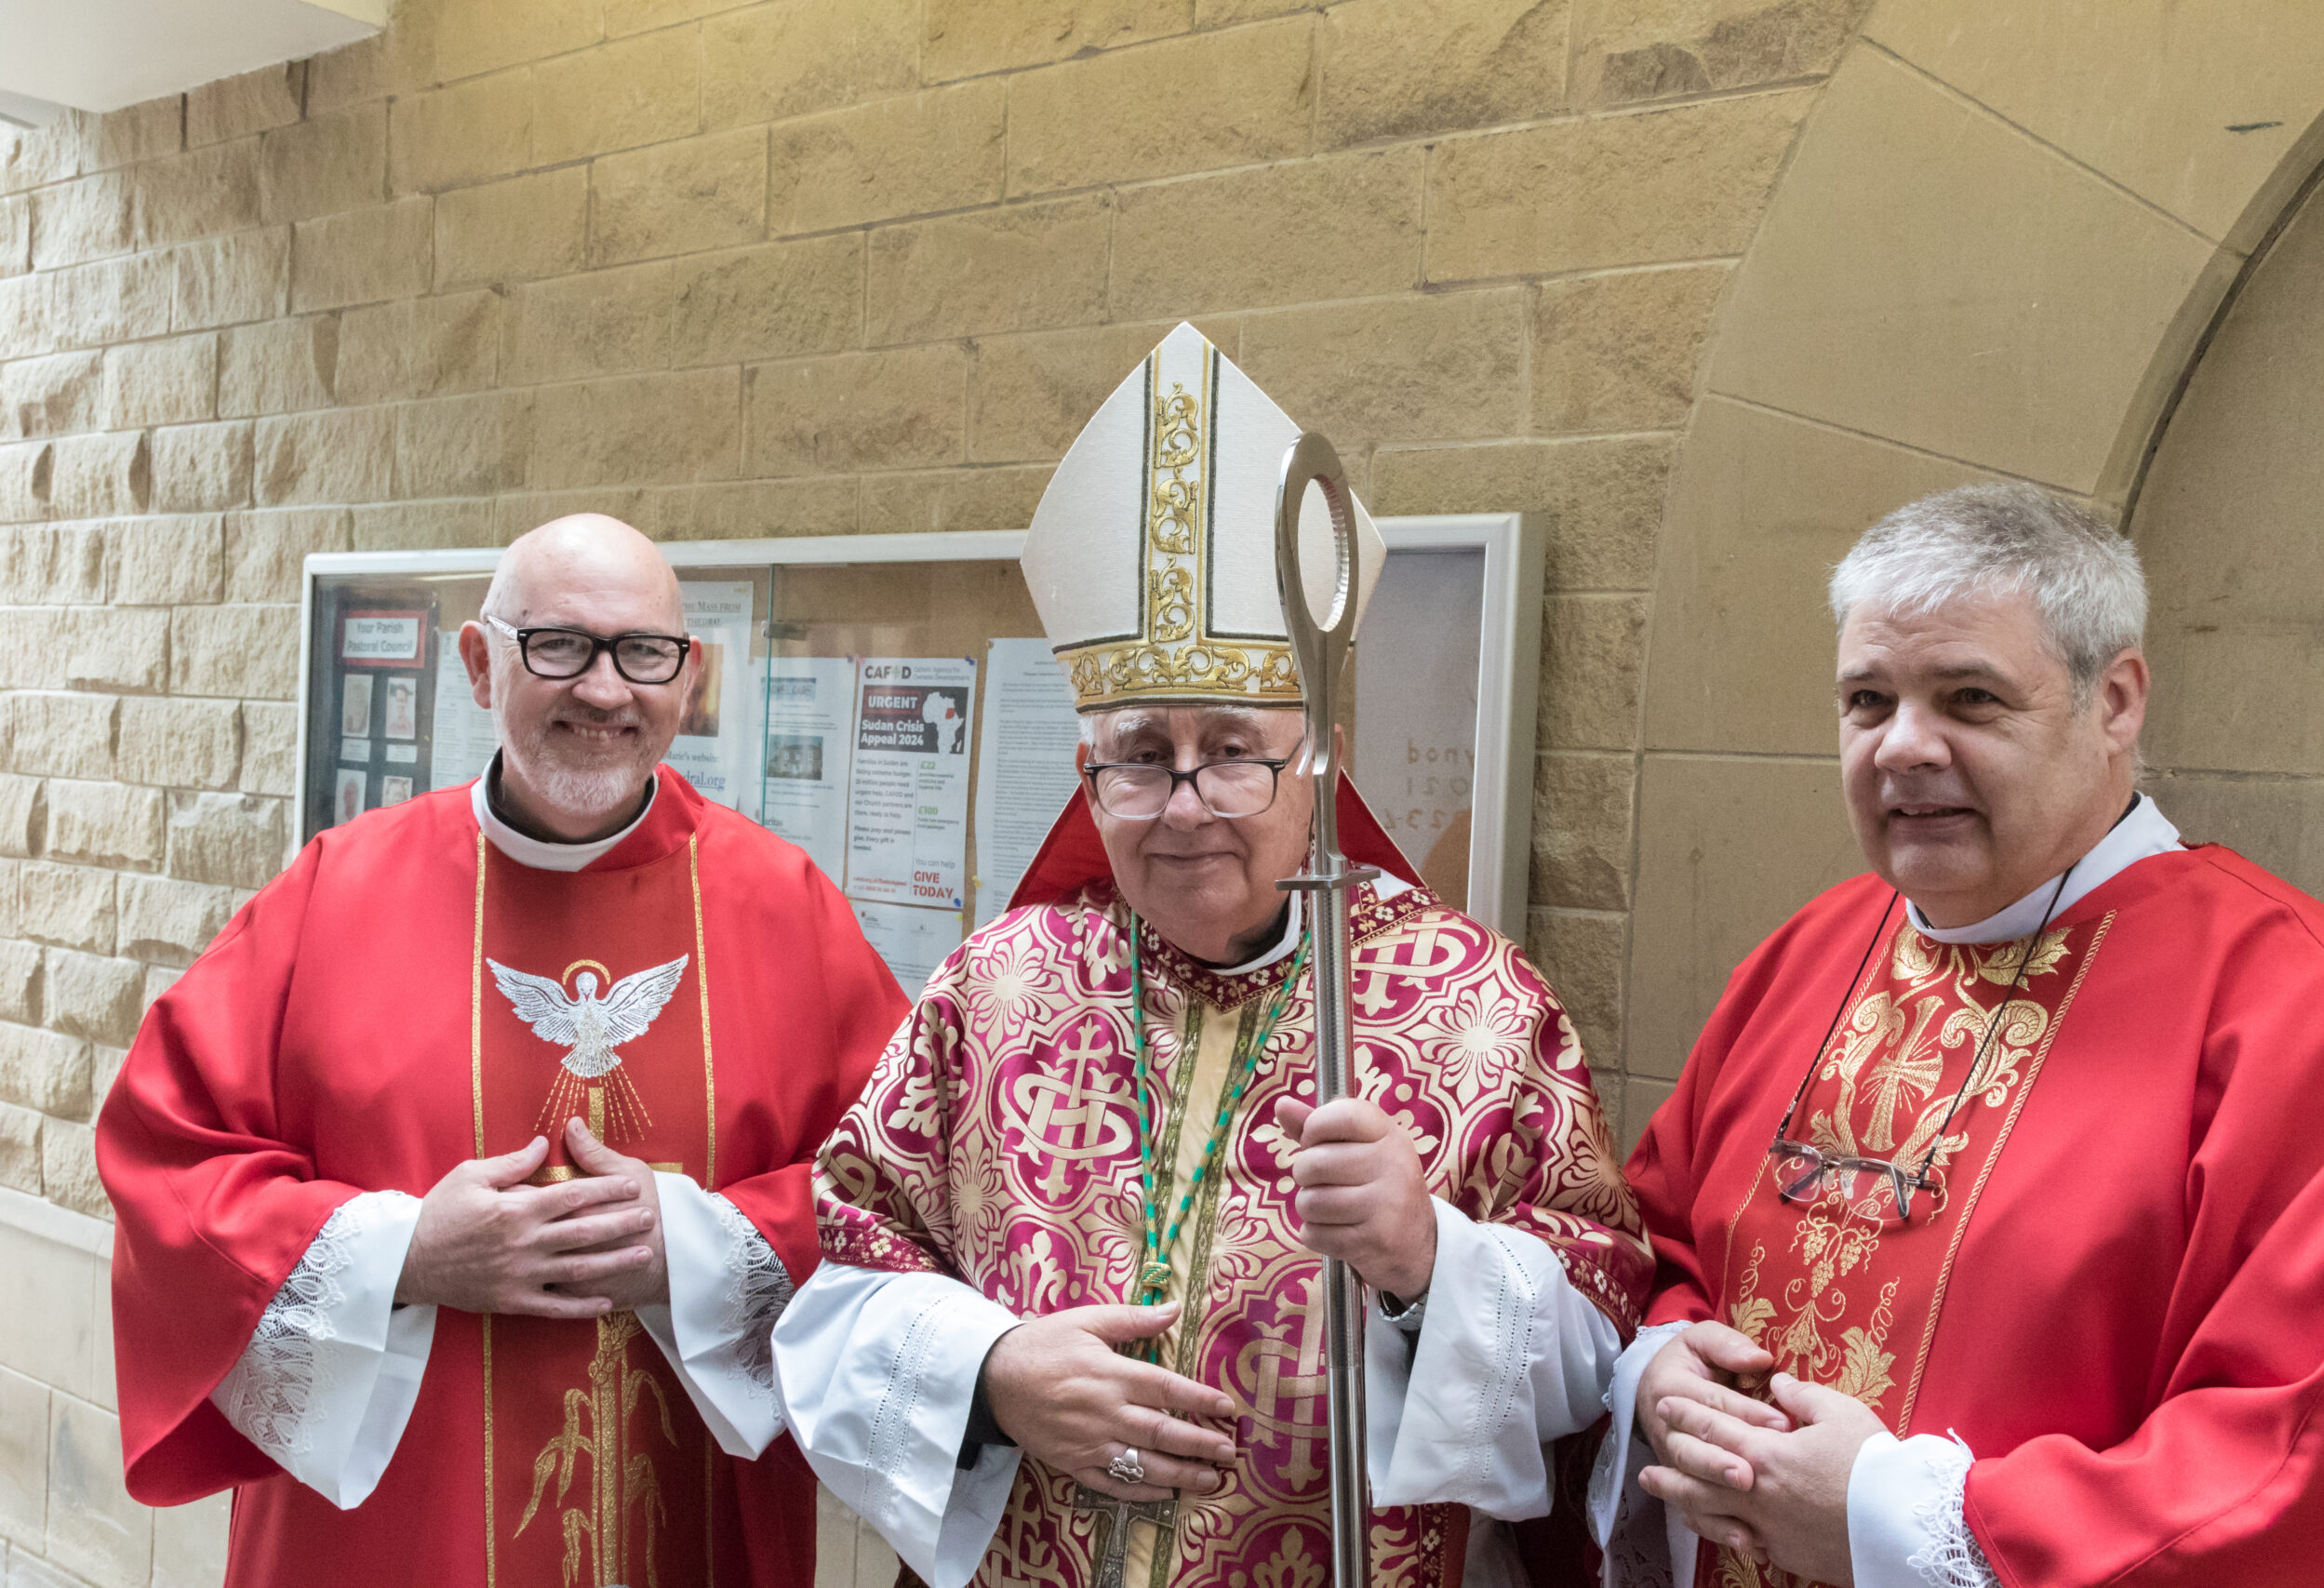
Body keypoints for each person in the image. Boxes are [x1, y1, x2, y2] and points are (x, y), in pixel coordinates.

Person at [778, 322, 1652, 1588]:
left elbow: (1597, 1327)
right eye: (1140, 754)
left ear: (1321, 754)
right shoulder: (996, 985)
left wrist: (1428, 1264)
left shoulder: (1476, 1004)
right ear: (1090, 774)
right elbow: (848, 1261)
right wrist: (991, 1371)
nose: (1184, 802)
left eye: (1233, 747)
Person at [1592, 485, 2324, 1588]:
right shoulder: (1807, 952)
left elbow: (2307, 1453)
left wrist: (1888, 1521)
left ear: (2114, 702)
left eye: (1968, 698)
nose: (1904, 748)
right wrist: (1661, 1374)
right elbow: (1661, 1240)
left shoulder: (2309, 1016)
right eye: (1867, 701)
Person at [99, 515, 910, 1587]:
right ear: (481, 663)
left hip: (686, 1521)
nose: (606, 691)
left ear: (687, 676)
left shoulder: (786, 908)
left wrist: (698, 1252)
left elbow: (902, 1196)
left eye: (642, 653)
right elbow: (169, 1168)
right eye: (559, 646)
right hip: (393, 1535)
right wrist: (407, 1253)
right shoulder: (332, 894)